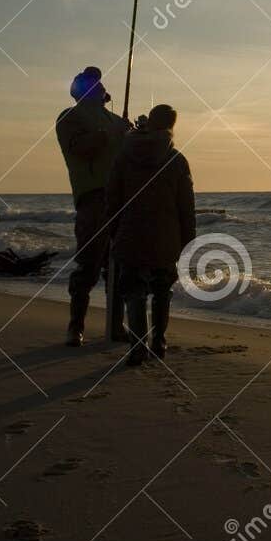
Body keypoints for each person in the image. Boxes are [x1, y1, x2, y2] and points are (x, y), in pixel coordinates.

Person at [104, 104, 195, 366]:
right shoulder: (177, 160)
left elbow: (112, 198)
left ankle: (137, 347)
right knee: (161, 289)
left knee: (134, 290)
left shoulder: (123, 156)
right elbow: (185, 206)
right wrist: (187, 240)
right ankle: (159, 341)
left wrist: (113, 230)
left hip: (130, 232)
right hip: (165, 236)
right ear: (171, 127)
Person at [54, 66, 129, 347]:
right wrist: (110, 133)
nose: (96, 85)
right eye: (89, 82)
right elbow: (81, 148)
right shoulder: (69, 117)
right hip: (93, 198)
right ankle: (76, 326)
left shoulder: (114, 120)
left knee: (118, 266)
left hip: (121, 199)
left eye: (97, 81)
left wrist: (133, 134)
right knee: (88, 264)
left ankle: (116, 324)